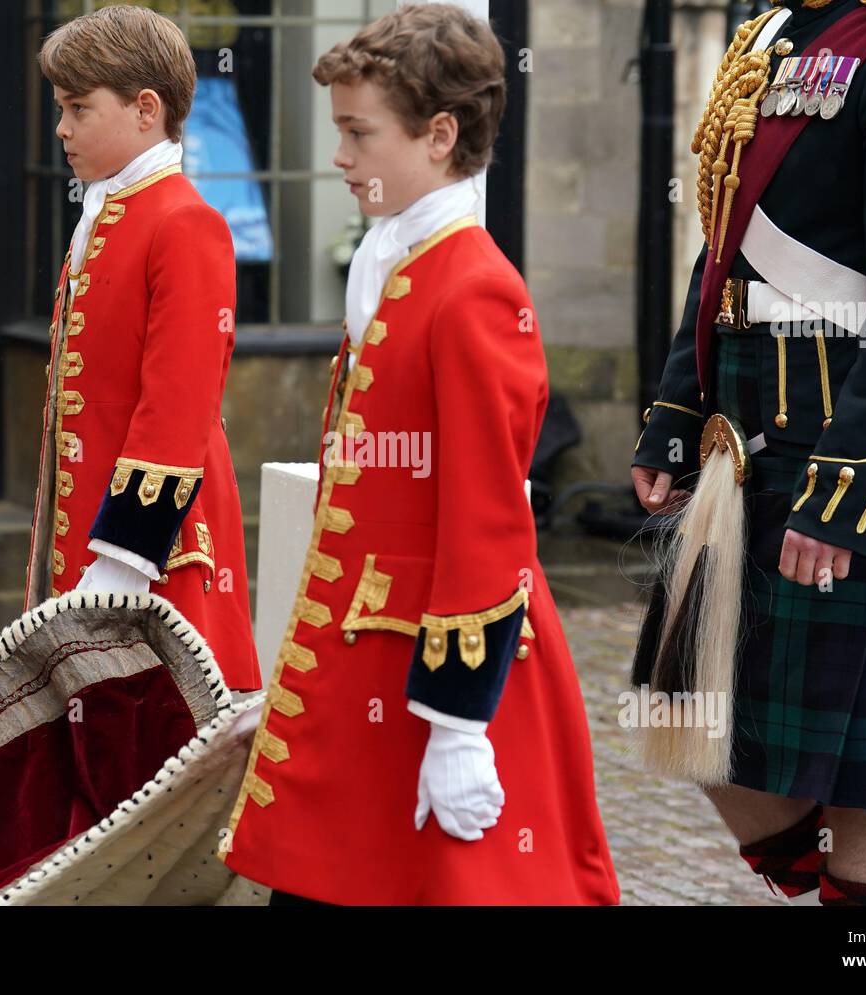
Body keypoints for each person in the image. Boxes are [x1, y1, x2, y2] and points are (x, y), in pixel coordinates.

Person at [220, 3, 619, 905]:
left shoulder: (472, 288)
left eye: (360, 133)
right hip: (371, 652)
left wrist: (459, 724)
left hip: (444, 665)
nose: (341, 156)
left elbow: (488, 515)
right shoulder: (397, 263)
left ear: (439, 135)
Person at [631, 0, 866, 906]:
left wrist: (850, 488)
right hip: (744, 437)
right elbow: (719, 250)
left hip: (860, 442)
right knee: (676, 702)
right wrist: (680, 408)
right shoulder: (771, 34)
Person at [24, 4, 259, 692]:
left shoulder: (186, 221)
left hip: (158, 546)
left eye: (78, 107)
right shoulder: (106, 212)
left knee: (156, 735)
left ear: (145, 109)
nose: (63, 128)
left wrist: (126, 551)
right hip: (88, 527)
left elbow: (178, 404)